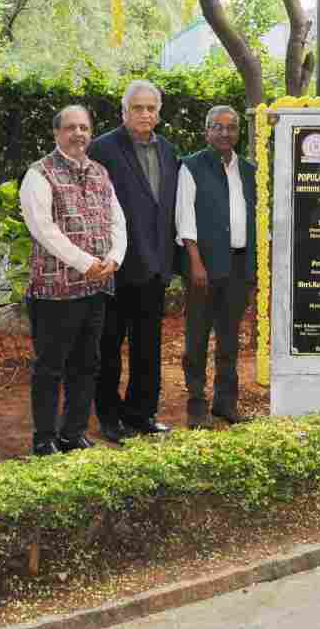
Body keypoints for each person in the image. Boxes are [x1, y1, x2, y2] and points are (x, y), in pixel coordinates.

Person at [19, 105, 127, 455]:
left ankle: (73, 434)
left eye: (84, 127)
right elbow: (43, 229)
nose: (78, 134)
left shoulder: (100, 173)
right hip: (55, 292)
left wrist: (113, 258)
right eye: (70, 128)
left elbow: (116, 221)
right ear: (57, 133)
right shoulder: (39, 174)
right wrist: (84, 262)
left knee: (86, 364)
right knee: (50, 367)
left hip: (95, 289)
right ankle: (45, 438)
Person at [87, 81, 180, 442]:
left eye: (151, 108)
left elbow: (168, 209)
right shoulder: (102, 150)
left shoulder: (169, 151)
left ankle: (142, 413)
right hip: (115, 267)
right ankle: (109, 418)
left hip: (155, 267)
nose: (145, 114)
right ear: (123, 111)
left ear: (158, 113)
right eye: (137, 108)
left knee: (148, 347)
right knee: (108, 348)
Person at [175, 105, 258, 429]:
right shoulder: (191, 167)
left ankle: (226, 403)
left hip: (239, 266)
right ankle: (197, 405)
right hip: (204, 266)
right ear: (207, 131)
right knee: (197, 336)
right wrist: (195, 262)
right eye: (218, 127)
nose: (225, 133)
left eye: (231, 127)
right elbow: (185, 219)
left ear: (238, 132)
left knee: (229, 338)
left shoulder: (249, 171)